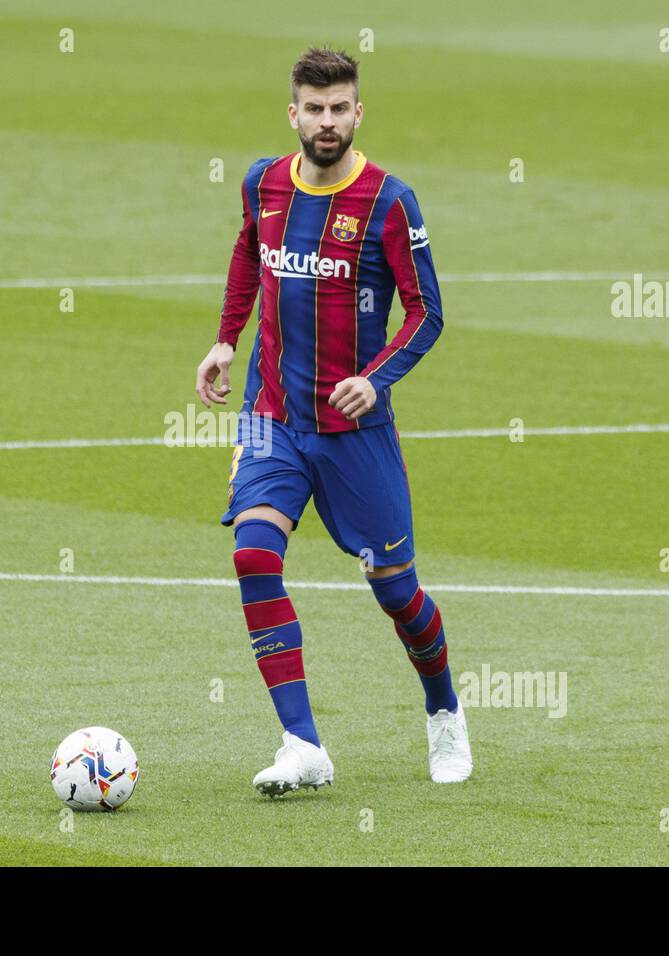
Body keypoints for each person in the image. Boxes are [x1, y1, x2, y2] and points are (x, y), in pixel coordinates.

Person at [194, 47, 472, 796]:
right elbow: (249, 254)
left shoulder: (388, 201)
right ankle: (302, 742)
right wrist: (226, 338)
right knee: (253, 555)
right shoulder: (264, 183)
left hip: (355, 432)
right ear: (294, 113)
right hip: (269, 415)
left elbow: (429, 313)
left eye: (339, 108)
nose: (326, 121)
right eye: (313, 109)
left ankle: (443, 709)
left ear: (358, 113)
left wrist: (374, 381)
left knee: (396, 591)